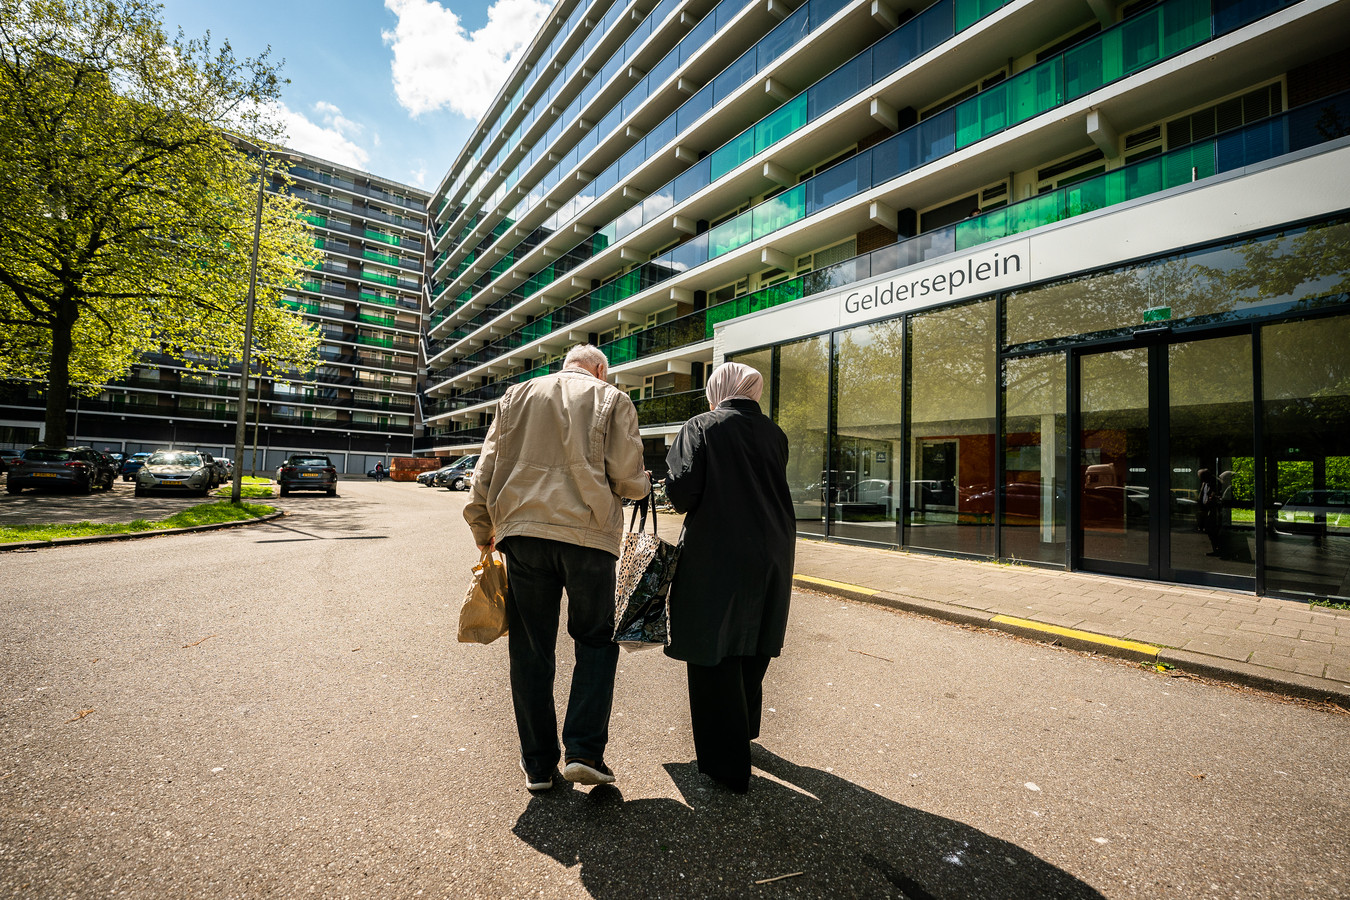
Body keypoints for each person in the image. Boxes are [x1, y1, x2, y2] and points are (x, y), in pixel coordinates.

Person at [464, 344, 650, 792]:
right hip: (587, 537)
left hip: (523, 536)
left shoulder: (516, 396)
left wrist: (482, 527)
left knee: (530, 649)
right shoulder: (611, 399)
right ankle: (584, 751)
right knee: (595, 639)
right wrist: (642, 488)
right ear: (600, 370)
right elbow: (627, 476)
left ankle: (538, 765)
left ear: (566, 365)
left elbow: (485, 470)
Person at [662, 362, 795, 793]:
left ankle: (728, 764)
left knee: (711, 647)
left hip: (718, 548)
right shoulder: (775, 433)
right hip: (774, 546)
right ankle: (743, 732)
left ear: (718, 387)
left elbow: (682, 494)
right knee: (753, 639)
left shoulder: (702, 425)